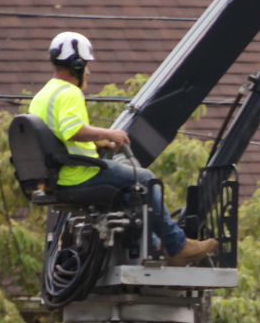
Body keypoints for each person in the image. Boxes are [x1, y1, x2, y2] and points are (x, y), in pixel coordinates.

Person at [30, 32, 215, 266]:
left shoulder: (43, 95)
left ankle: (155, 244)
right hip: (77, 175)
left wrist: (97, 142)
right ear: (76, 65)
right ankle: (177, 246)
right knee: (144, 178)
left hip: (61, 175)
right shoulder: (69, 92)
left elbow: (58, 136)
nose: (88, 71)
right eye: (86, 66)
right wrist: (109, 134)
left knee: (130, 190)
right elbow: (71, 130)